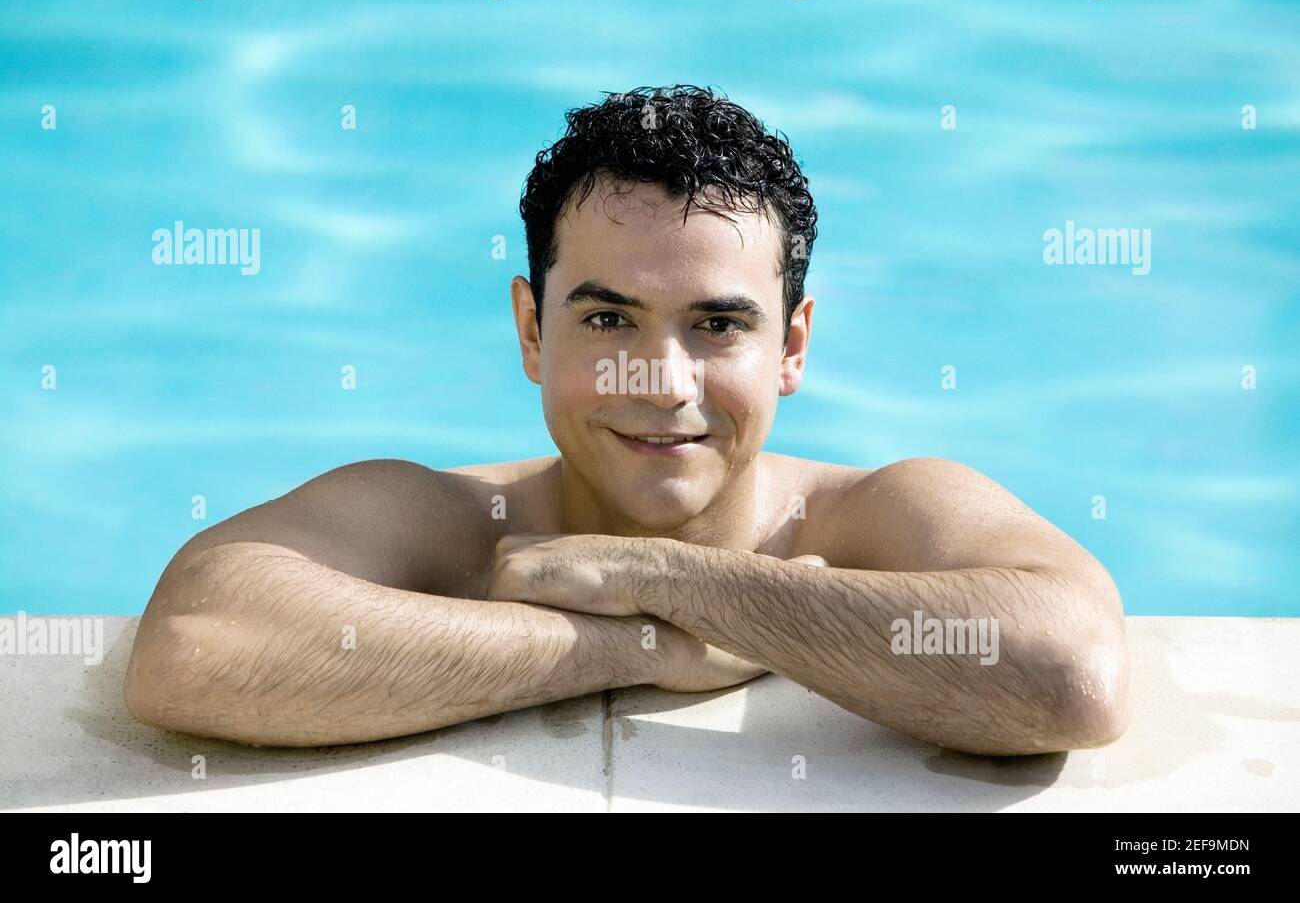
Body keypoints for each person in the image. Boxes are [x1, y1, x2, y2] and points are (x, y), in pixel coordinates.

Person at [124, 85, 1129, 756]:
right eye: (608, 317)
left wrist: (666, 580)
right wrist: (636, 647)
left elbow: (1073, 676)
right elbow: (193, 644)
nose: (659, 380)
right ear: (530, 329)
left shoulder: (878, 513)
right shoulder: (443, 515)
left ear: (792, 346)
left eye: (717, 324)